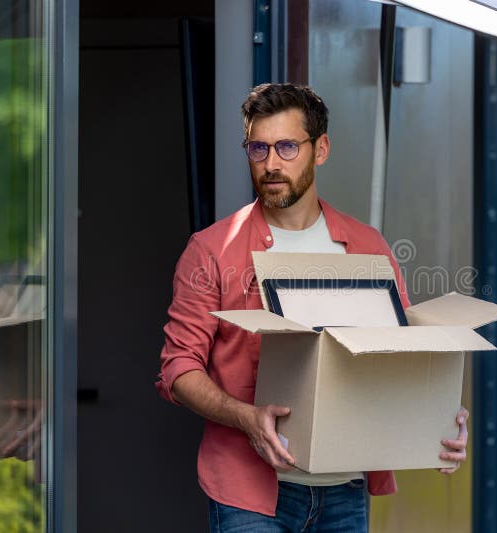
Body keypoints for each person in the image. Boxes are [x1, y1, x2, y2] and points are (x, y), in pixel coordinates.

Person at [156, 83, 469, 532]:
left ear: (320, 149)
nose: (271, 164)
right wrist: (247, 418)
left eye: (286, 146)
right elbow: (178, 369)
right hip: (250, 494)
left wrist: (440, 421)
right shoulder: (211, 251)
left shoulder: (367, 247)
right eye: (258, 148)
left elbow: (405, 355)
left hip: (345, 491)